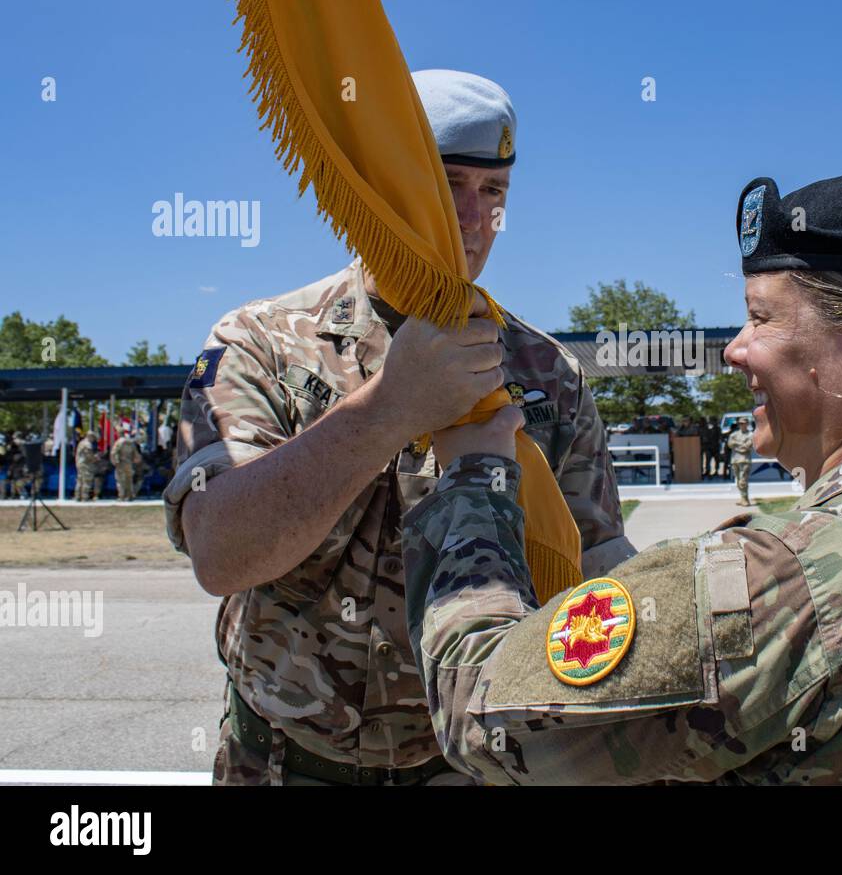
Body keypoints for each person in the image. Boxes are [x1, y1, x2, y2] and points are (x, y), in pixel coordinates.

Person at [402, 171, 842, 785]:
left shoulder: (775, 582)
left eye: (761, 316)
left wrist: (473, 476)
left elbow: (478, 711)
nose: (736, 348)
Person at [165, 69, 633, 786]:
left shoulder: (547, 373)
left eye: (494, 192)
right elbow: (221, 553)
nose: (475, 221)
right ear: (384, 184)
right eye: (449, 185)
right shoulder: (262, 340)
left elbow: (594, 561)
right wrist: (389, 410)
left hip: (461, 766)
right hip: (285, 761)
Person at [727, 416, 755, 505]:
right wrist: (741, 445)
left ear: (747, 424)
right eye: (740, 423)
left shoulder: (751, 434)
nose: (742, 425)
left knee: (743, 481)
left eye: (743, 423)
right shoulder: (734, 434)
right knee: (738, 481)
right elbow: (730, 444)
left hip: (745, 460)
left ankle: (745, 499)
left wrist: (737, 444)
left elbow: (747, 447)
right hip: (735, 459)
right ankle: (742, 498)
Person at [111, 429, 144, 500]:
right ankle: (130, 495)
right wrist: (136, 461)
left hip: (121, 463)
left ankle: (122, 496)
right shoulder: (130, 442)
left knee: (120, 480)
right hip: (129, 463)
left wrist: (115, 462)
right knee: (129, 480)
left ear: (119, 433)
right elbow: (136, 454)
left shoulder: (118, 442)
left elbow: (114, 453)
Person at [75, 433, 104, 502]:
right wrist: (96, 457)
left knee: (80, 480)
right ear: (90, 436)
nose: (93, 439)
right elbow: (89, 456)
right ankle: (85, 497)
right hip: (86, 464)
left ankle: (78, 496)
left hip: (80, 464)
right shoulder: (87, 444)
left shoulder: (81, 443)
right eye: (93, 437)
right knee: (86, 481)